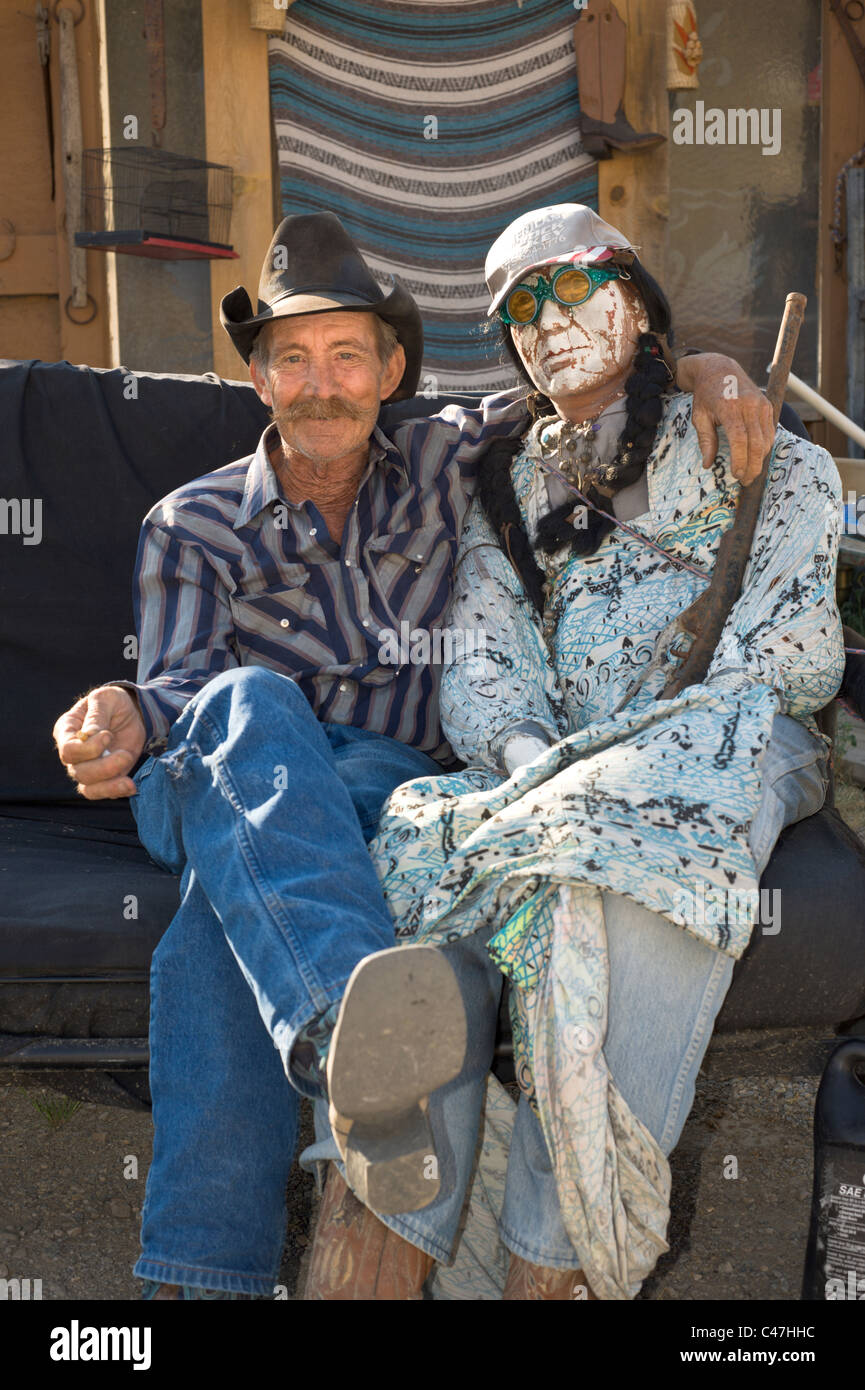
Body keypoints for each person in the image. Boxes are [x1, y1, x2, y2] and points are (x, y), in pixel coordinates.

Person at [50, 210, 778, 1300]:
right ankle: (346, 1022)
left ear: (391, 369)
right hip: (225, 776)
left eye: (347, 354)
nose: (321, 382)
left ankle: (200, 1283)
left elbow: (589, 385)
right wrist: (120, 713)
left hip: (384, 792)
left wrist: (712, 366)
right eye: (290, 358)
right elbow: (179, 698)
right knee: (253, 702)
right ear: (256, 379)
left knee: (216, 925)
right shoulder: (189, 524)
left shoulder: (450, 457)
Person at [327, 203, 843, 1300]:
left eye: (568, 287)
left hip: (730, 745)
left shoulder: (764, 453)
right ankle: (409, 1220)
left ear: (637, 303)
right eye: (517, 305)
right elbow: (482, 655)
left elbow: (793, 661)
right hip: (556, 775)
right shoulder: (506, 481)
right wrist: (529, 759)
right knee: (432, 861)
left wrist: (620, 762)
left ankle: (556, 1263)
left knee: (617, 869)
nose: (544, 320)